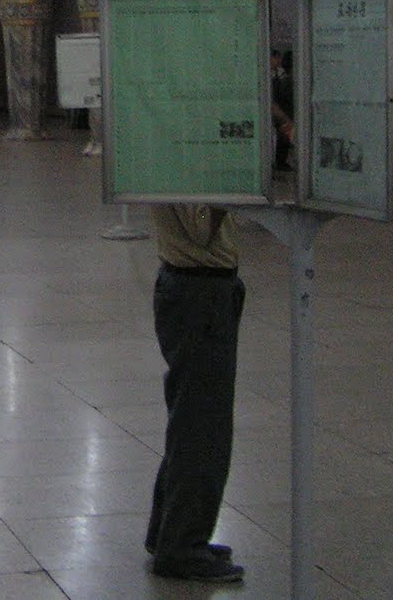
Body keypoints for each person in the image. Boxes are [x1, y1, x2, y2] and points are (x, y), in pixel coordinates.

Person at [144, 203, 246, 585]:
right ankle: (182, 548)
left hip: (200, 287)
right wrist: (234, 183)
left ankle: (168, 533)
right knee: (203, 427)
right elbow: (201, 228)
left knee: (191, 420)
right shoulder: (189, 168)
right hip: (198, 292)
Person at [270, 50, 294, 171]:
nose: (278, 61)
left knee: (283, 139)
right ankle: (279, 162)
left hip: (281, 112)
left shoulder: (279, 75)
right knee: (281, 138)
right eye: (276, 58)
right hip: (280, 112)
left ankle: (280, 162)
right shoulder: (282, 79)